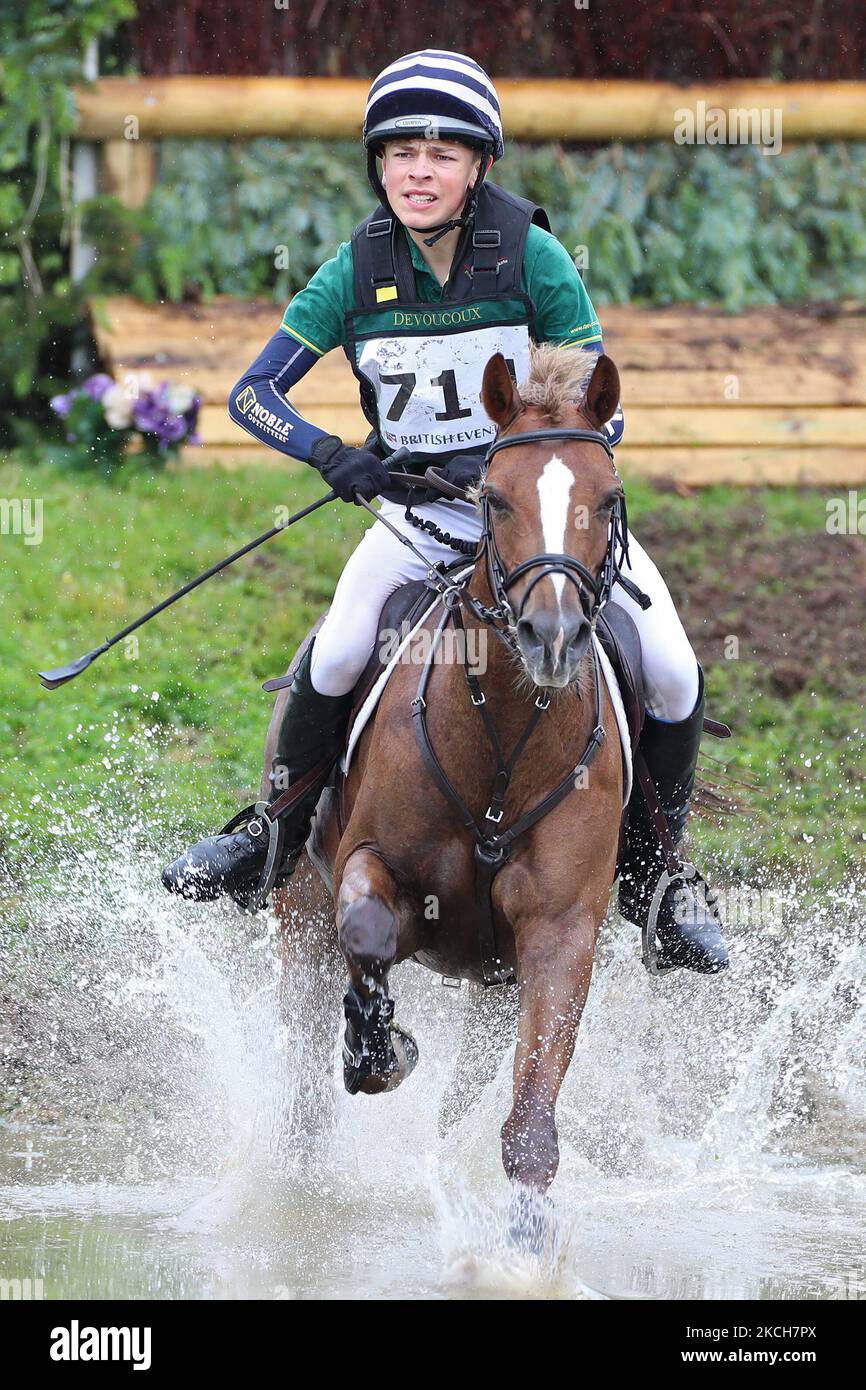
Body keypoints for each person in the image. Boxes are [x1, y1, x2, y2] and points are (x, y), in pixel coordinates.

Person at [162, 49, 727, 974]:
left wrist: (534, 460)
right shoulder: (355, 268)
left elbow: (601, 403)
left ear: (480, 169)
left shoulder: (534, 255)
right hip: (414, 519)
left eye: (442, 154)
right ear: (376, 165)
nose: (418, 172)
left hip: (536, 520)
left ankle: (661, 881)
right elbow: (251, 393)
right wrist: (329, 454)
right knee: (341, 646)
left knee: (669, 667)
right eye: (399, 154)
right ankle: (269, 835)